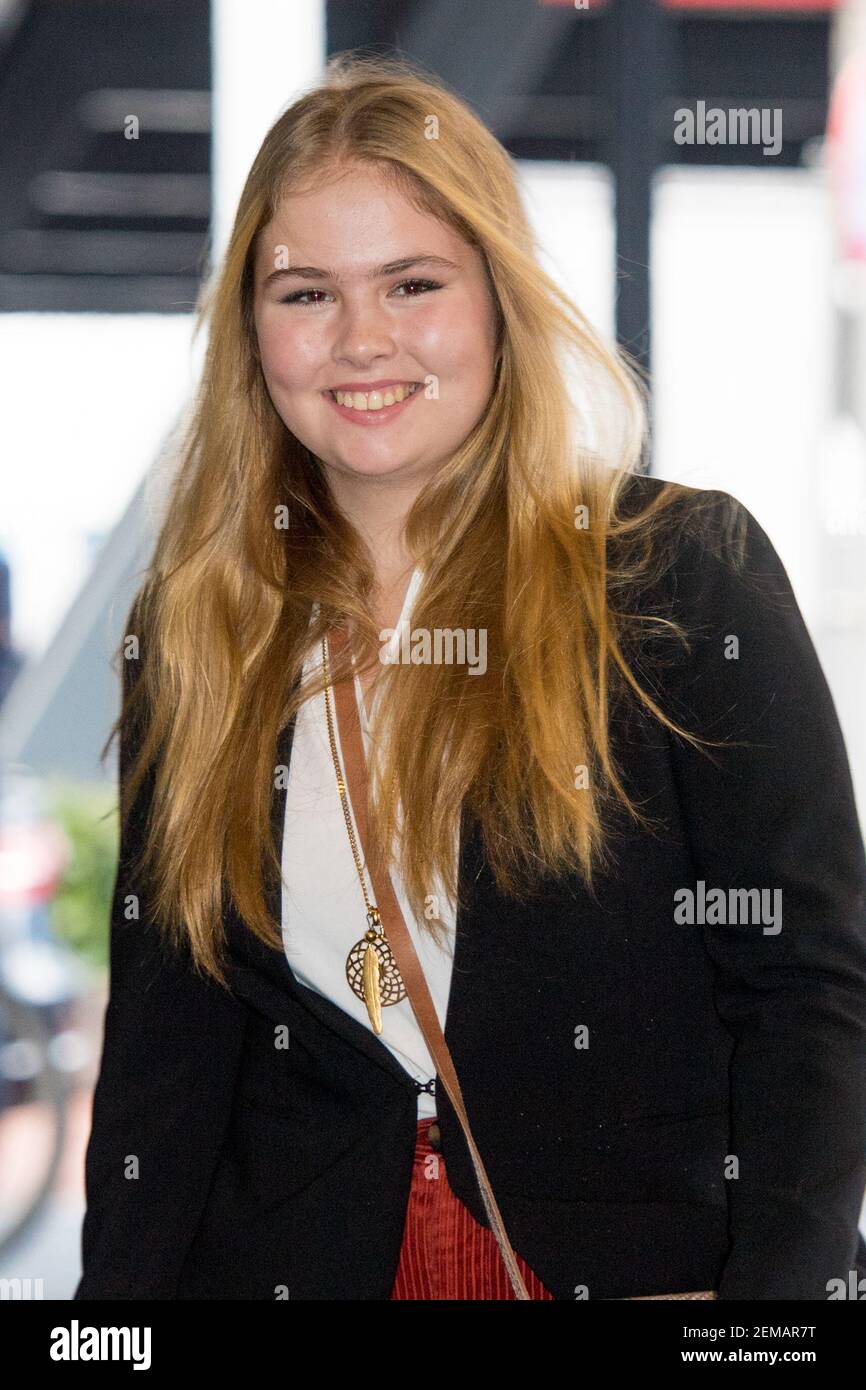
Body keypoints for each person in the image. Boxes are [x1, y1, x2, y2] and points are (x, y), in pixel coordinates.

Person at [74, 53, 866, 1301]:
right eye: (304, 293)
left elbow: (808, 987)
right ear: (248, 329)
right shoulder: (199, 632)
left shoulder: (675, 576)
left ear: (497, 297)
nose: (360, 340)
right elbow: (165, 1056)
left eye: (411, 283)